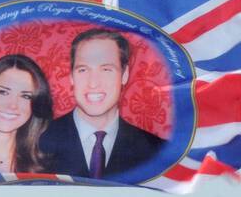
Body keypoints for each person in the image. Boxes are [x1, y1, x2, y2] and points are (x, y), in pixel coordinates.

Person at [39, 28, 165, 179]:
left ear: (124, 75)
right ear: (71, 76)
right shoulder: (35, 142)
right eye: (83, 70)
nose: (93, 84)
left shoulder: (157, 150)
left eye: (106, 69)